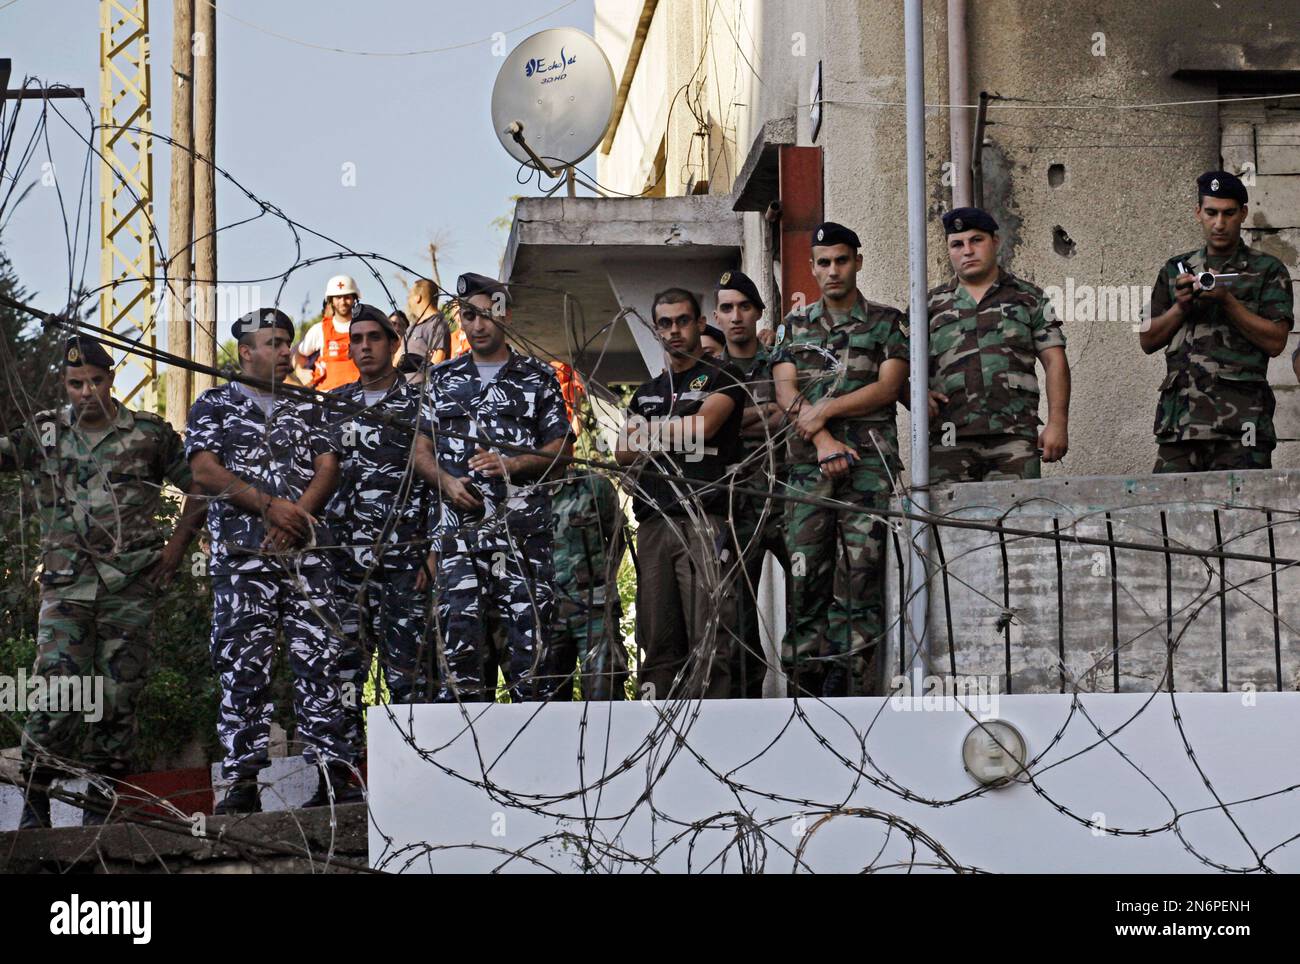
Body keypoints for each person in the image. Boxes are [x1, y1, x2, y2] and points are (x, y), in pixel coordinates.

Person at [2, 336, 204, 829]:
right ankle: (35, 795)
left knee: (117, 697)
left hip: (130, 585)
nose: (86, 391)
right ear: (64, 385)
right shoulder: (45, 432)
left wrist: (176, 550)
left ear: (111, 380)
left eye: (95, 380)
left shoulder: (149, 435)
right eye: (75, 384)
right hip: (66, 586)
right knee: (59, 692)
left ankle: (100, 803)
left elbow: (198, 486)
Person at [186, 309, 357, 813]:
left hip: (306, 559)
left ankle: (333, 777)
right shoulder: (214, 404)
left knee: (320, 665)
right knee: (244, 670)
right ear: (246, 351)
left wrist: (295, 516)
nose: (287, 351)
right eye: (275, 343)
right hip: (242, 563)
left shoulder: (309, 404)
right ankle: (242, 784)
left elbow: (329, 467)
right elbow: (205, 471)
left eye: (287, 342)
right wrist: (266, 505)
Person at [325, 304, 478, 760]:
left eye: (375, 337)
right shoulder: (334, 408)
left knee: (407, 673)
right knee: (345, 673)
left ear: (394, 344)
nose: (365, 346)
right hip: (346, 564)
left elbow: (440, 486)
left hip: (404, 563)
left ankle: (413, 771)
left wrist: (433, 553)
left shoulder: (418, 408)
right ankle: (345, 775)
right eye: (356, 339)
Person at [772, 222, 909, 698]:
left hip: (869, 471)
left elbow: (888, 387)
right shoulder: (794, 326)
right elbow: (785, 388)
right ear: (812, 268)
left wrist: (825, 409)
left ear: (858, 261)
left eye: (841, 260)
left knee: (859, 580)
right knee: (806, 576)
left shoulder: (887, 322)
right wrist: (823, 439)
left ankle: (849, 680)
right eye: (823, 263)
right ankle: (803, 680)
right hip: (809, 470)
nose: (833, 271)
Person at [428, 272, 573, 702]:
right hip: (459, 541)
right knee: (462, 661)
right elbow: (420, 449)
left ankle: (535, 760)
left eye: (487, 315)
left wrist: (511, 465)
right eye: (469, 316)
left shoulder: (537, 377)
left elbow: (562, 449)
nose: (478, 325)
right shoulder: (442, 380)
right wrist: (447, 482)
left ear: (504, 315)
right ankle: (467, 763)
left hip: (522, 540)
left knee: (532, 660)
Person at [616, 287, 745, 701]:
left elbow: (705, 427)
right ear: (656, 330)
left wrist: (648, 434)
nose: (674, 330)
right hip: (654, 523)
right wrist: (672, 429)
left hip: (702, 520)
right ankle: (656, 736)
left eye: (683, 320)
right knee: (657, 641)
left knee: (710, 639)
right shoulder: (647, 392)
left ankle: (714, 736)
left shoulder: (723, 377)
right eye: (665, 323)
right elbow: (622, 451)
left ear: (700, 323)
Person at [1140, 170, 1294, 472]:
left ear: (1243, 214)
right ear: (1198, 213)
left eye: (1228, 213)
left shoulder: (1267, 271)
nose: (1219, 223)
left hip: (1243, 428)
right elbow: (1147, 339)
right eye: (1211, 213)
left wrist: (1227, 301)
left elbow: (1276, 341)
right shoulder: (1175, 269)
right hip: (1180, 427)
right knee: (1172, 514)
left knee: (1246, 517)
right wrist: (1181, 307)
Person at [925, 207, 1071, 482]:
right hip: (948, 437)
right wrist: (916, 394)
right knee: (950, 521)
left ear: (995, 241)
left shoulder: (1030, 298)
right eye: (957, 244)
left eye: (976, 240)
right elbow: (898, 364)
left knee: (1019, 517)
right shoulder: (929, 305)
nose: (967, 250)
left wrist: (1057, 423)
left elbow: (1055, 361)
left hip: (1014, 434)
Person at [715, 269, 788, 698]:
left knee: (809, 612)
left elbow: (789, 411)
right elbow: (710, 428)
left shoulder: (779, 362)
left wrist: (729, 421)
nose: (736, 316)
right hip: (733, 506)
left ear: (759, 313)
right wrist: (767, 416)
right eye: (727, 308)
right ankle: (747, 713)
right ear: (717, 316)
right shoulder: (708, 372)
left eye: (744, 307)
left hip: (786, 496)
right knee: (735, 619)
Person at [546, 460, 628, 701]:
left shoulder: (595, 486)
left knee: (604, 692)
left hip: (595, 610)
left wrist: (602, 579)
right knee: (548, 702)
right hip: (546, 614)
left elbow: (617, 538)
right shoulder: (521, 495)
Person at [293, 275, 363, 391]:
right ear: (331, 300)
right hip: (326, 399)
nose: (343, 302)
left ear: (355, 299)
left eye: (347, 297)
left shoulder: (364, 327)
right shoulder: (319, 329)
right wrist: (300, 371)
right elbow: (299, 353)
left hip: (358, 396)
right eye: (338, 297)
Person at [399, 278, 452, 386]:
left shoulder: (437, 325)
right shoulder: (411, 328)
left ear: (417, 298)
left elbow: (438, 362)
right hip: (402, 391)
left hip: (421, 393)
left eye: (409, 295)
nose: (408, 299)